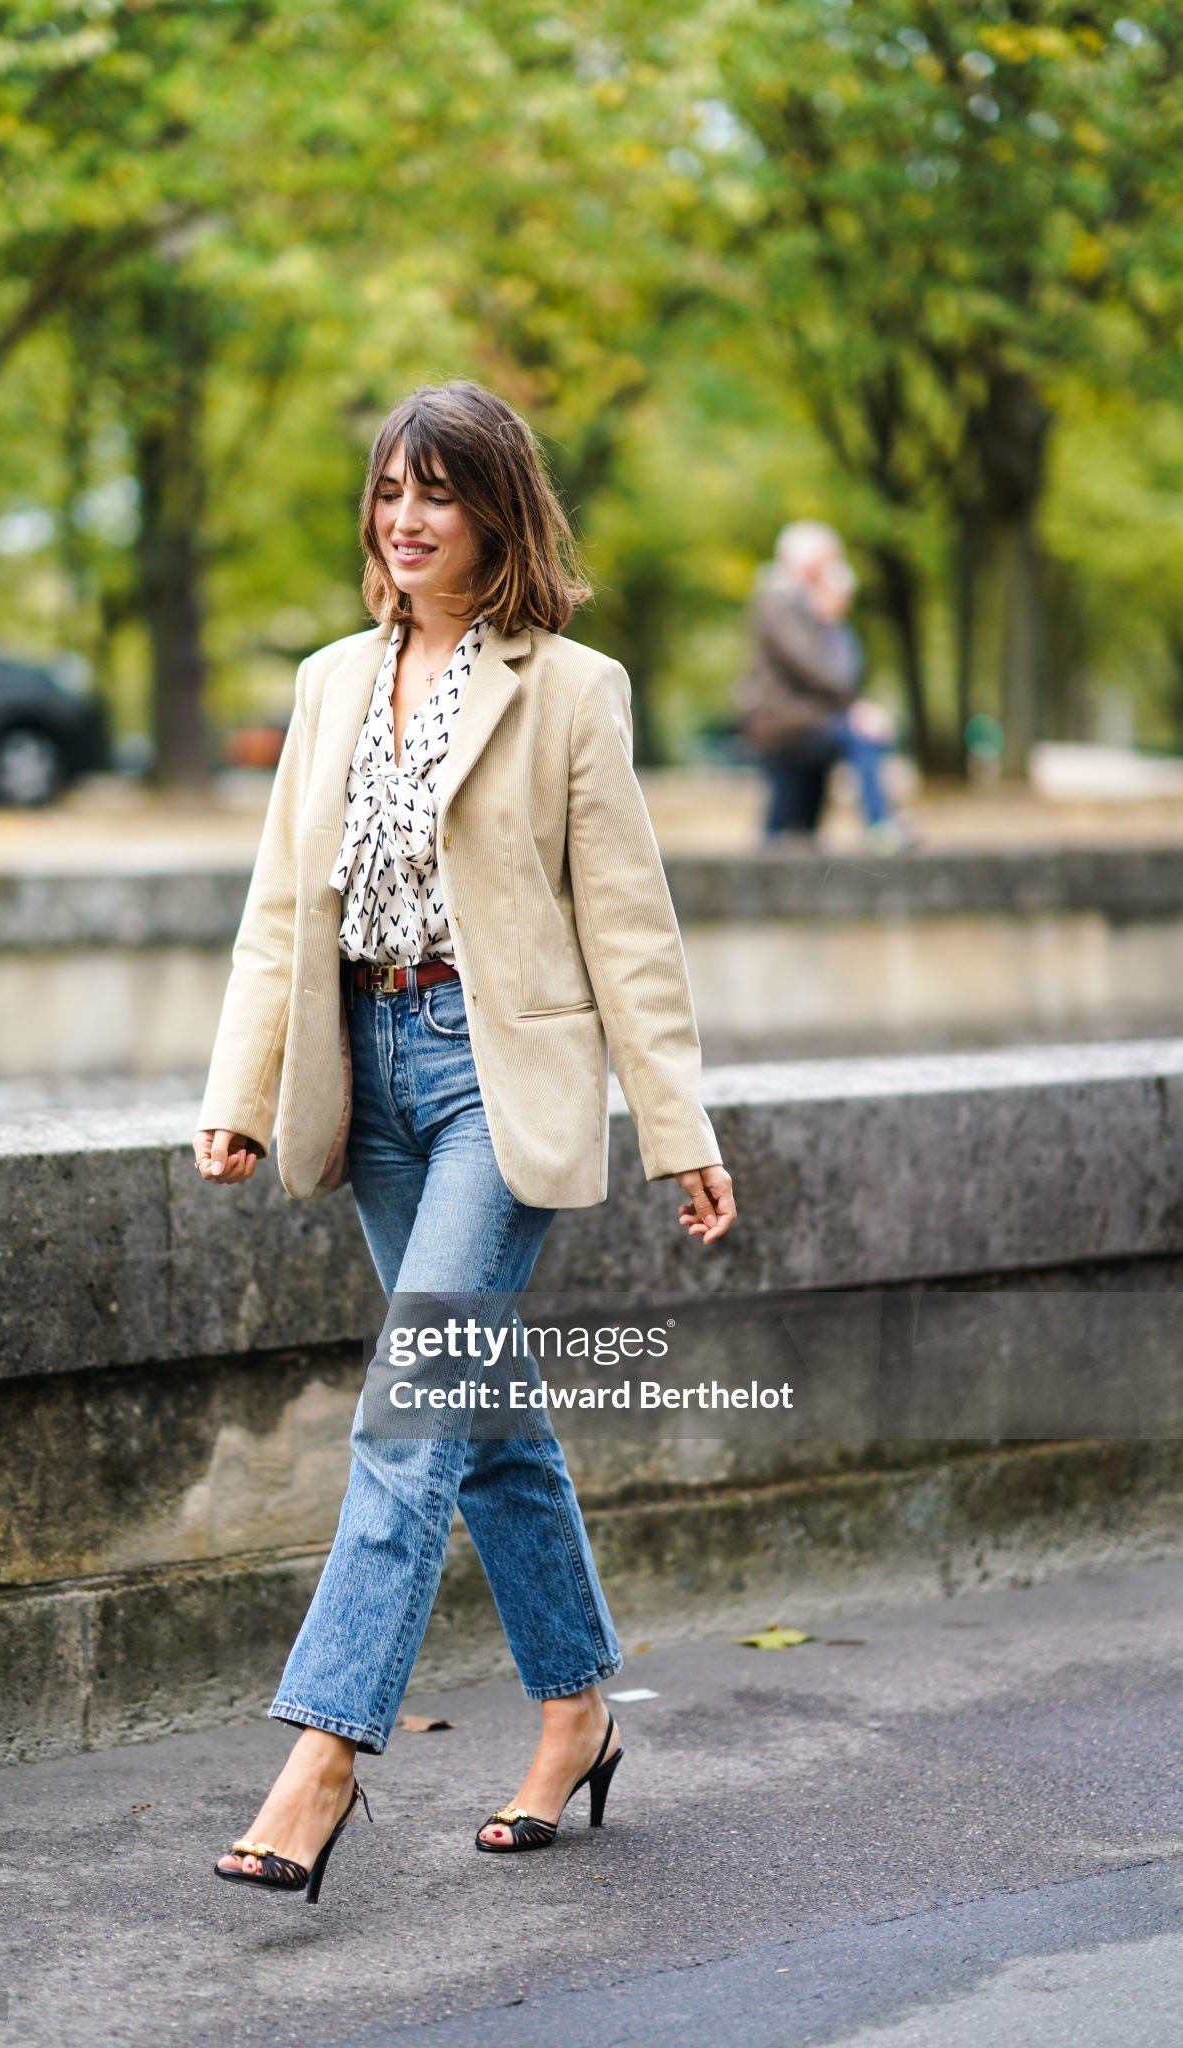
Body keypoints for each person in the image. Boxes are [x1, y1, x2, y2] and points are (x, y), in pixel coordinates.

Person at [193, 379, 736, 1904]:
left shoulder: (572, 688)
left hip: (497, 1080)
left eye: (437, 491)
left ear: (498, 510)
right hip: (363, 1077)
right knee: (484, 1412)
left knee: (409, 1409)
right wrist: (239, 1095)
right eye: (387, 491)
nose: (406, 518)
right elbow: (277, 917)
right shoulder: (322, 684)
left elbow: (628, 928)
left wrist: (678, 1123)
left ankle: (323, 1756)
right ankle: (575, 1714)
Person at [738, 521, 919, 852]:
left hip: (803, 717)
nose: (834, 566)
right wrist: (854, 708)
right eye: (829, 559)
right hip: (786, 721)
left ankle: (783, 848)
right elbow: (810, 666)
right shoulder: (778, 600)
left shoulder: (798, 602)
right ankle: (880, 824)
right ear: (807, 562)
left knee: (790, 823)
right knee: (860, 736)